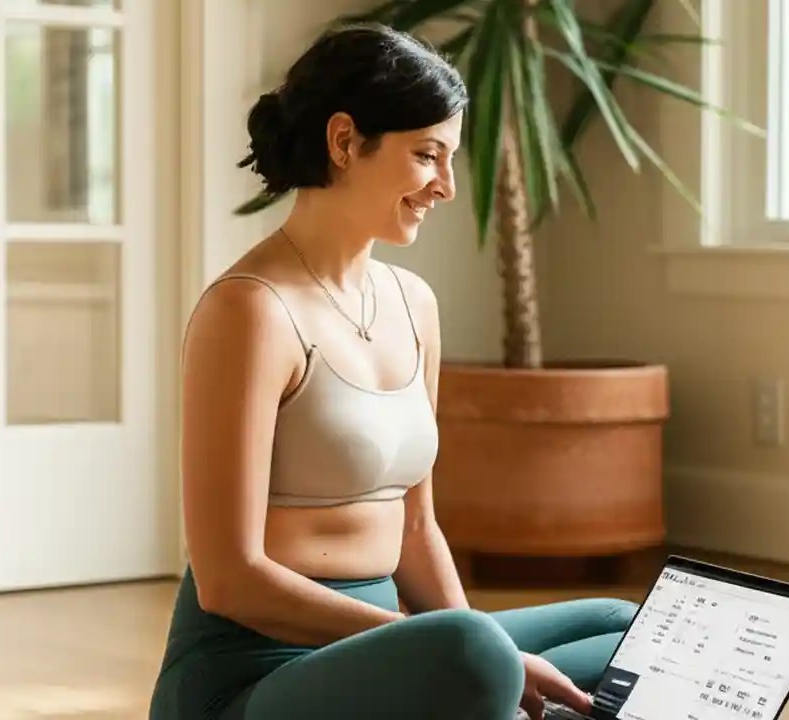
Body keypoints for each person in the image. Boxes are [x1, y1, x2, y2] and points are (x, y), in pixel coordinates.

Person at [148, 24, 638, 720]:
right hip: (251, 675)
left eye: (450, 160)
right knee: (476, 651)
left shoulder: (414, 304)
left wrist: (494, 670)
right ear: (345, 142)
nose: (445, 186)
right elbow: (228, 580)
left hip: (389, 649)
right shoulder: (250, 311)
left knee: (629, 630)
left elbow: (414, 529)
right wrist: (468, 653)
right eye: (427, 156)